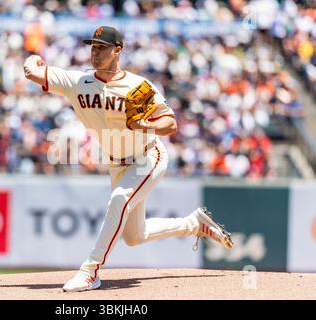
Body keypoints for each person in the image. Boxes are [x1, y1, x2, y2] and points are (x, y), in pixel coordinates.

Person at [24, 26, 233, 292]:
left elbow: (170, 124)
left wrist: (146, 125)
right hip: (117, 164)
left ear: (117, 50)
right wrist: (35, 58)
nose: (95, 52)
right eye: (93, 47)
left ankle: (90, 271)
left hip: (148, 156)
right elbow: (31, 71)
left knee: (119, 199)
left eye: (102, 47)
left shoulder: (138, 86)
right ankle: (193, 224)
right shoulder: (78, 83)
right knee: (135, 236)